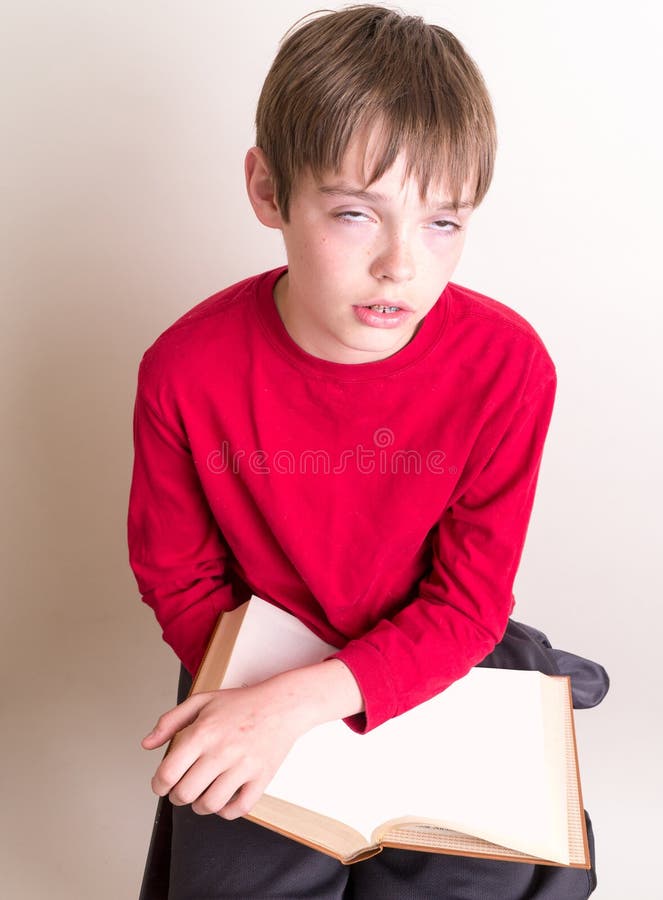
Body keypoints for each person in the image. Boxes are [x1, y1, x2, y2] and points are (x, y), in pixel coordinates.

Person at [127, 6, 600, 898]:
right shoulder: (183, 371)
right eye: (354, 213)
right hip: (256, 659)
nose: (400, 266)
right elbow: (180, 579)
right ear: (269, 191)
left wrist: (322, 699)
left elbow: (467, 600)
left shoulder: (509, 365)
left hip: (438, 655)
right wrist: (266, 703)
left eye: (442, 224)